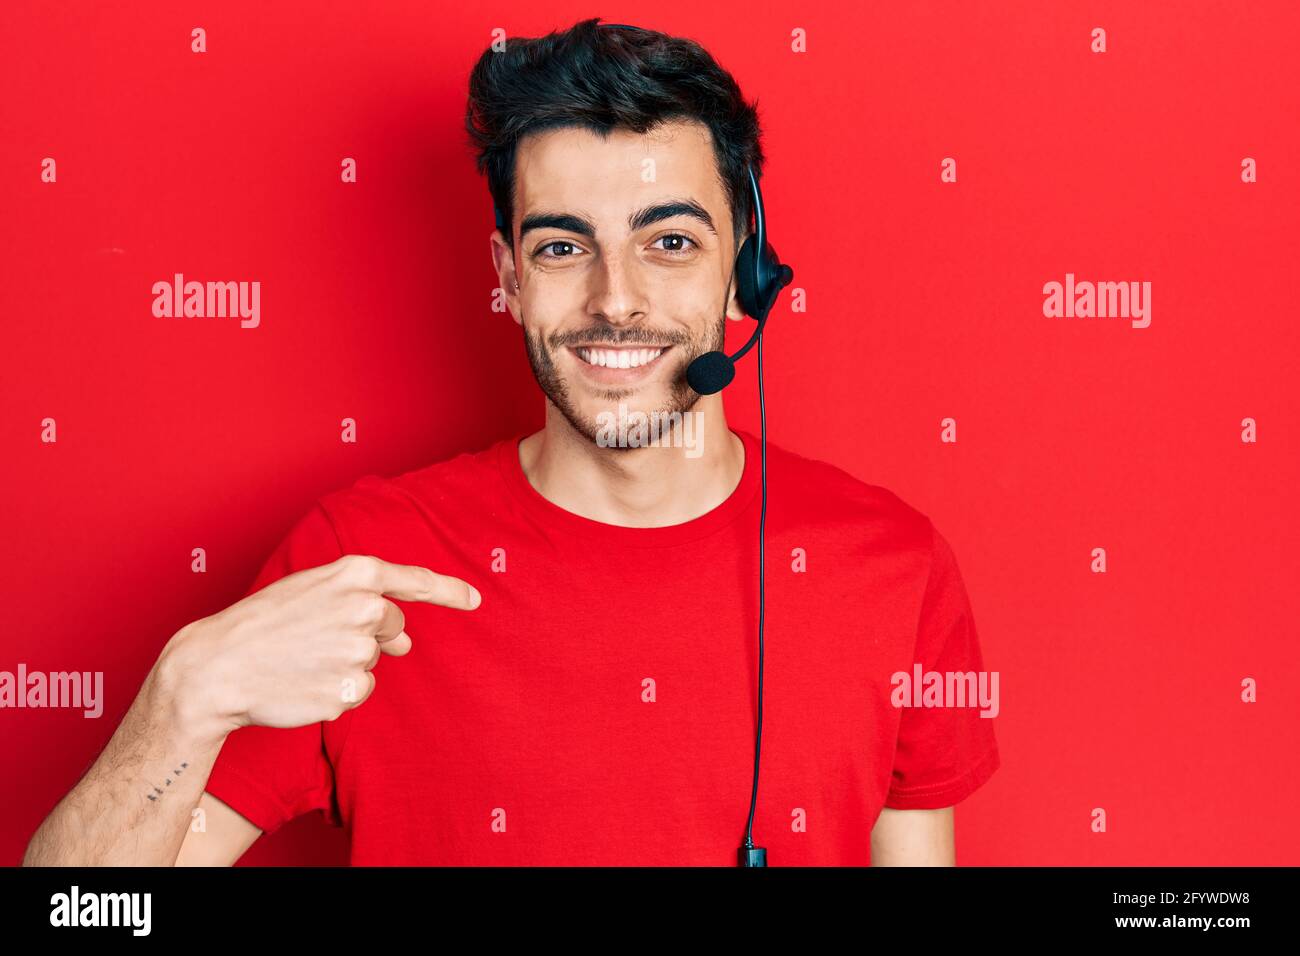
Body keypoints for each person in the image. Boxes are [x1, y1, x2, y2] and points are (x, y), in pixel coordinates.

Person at [23, 18, 998, 867]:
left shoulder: (893, 568)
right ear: (508, 275)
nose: (615, 299)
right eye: (563, 247)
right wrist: (178, 697)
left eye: (669, 241)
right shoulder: (362, 567)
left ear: (746, 265)